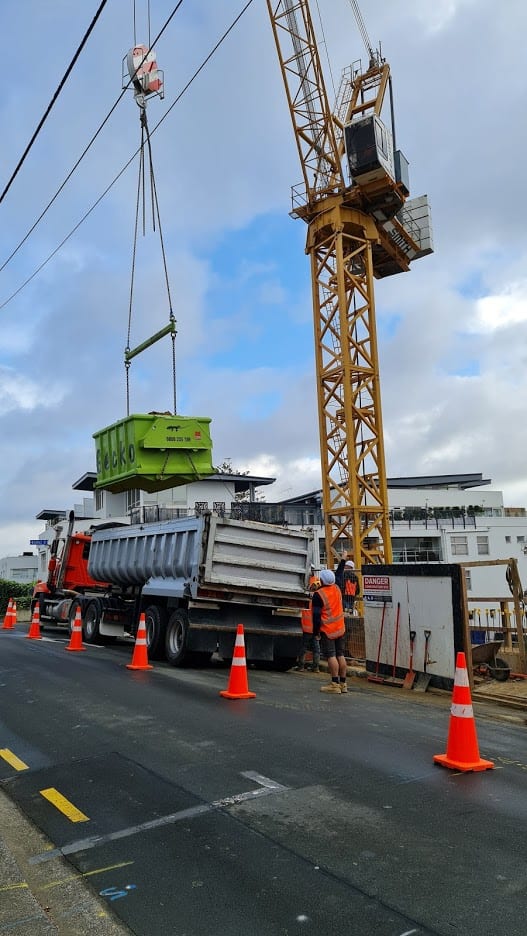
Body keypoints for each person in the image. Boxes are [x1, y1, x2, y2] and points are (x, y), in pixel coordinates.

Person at [312, 568, 348, 694]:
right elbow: (338, 574)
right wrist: (342, 560)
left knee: (331, 656)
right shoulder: (337, 588)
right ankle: (343, 683)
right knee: (340, 655)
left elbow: (316, 616)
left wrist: (316, 632)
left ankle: (334, 684)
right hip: (340, 628)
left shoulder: (319, 594)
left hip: (328, 630)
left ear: (321, 580)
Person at [294, 575, 322, 673]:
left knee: (303, 647)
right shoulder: (319, 599)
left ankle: (301, 666)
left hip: (306, 628)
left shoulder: (306, 599)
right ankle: (316, 667)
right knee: (316, 648)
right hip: (315, 628)